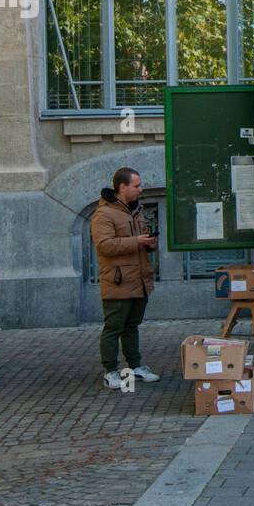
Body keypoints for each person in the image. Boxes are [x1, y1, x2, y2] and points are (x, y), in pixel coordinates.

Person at [91, 167, 161, 390]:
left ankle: (135, 367)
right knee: (114, 327)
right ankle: (110, 371)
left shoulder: (136, 211)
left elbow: (138, 242)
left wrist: (149, 244)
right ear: (123, 187)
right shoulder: (103, 214)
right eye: (136, 185)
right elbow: (104, 246)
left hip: (139, 280)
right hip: (118, 281)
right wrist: (137, 242)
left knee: (132, 326)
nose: (141, 189)